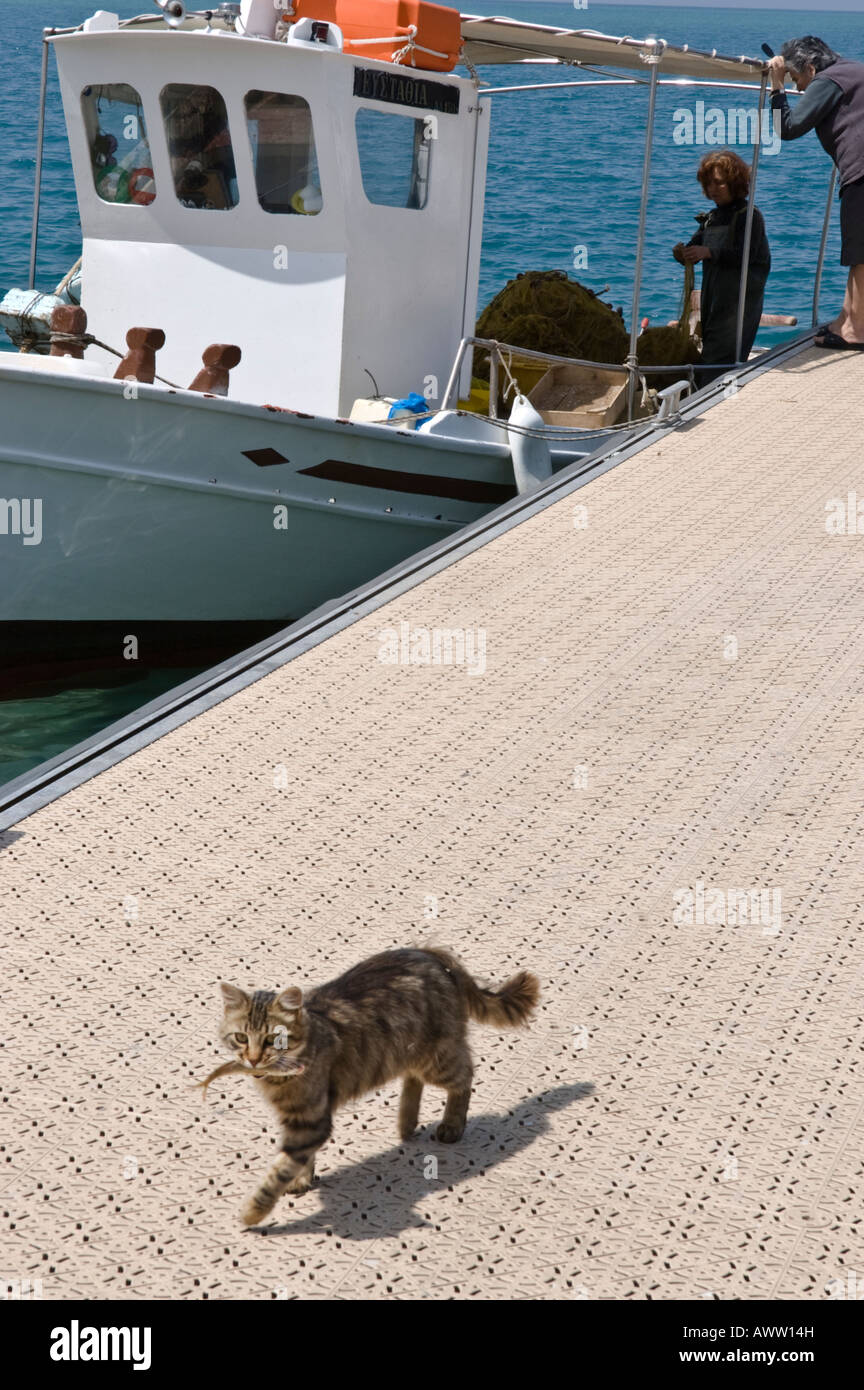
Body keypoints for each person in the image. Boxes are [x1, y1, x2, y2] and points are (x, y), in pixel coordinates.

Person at [768, 37, 864, 349]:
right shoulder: (850, 70)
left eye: (797, 80)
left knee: (861, 257)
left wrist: (776, 85)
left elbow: (788, 127)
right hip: (857, 173)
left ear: (810, 67)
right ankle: (846, 320)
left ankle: (858, 331)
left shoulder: (827, 80)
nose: (798, 89)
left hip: (861, 172)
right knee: (856, 254)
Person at [672, 150, 771, 385]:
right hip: (714, 301)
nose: (713, 189)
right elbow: (695, 247)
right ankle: (707, 392)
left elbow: (747, 255)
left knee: (722, 353)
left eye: (719, 183)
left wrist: (710, 253)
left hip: (738, 303)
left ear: (734, 183)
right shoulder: (712, 218)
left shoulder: (749, 216)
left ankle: (710, 397)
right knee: (711, 347)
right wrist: (684, 254)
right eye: (708, 184)